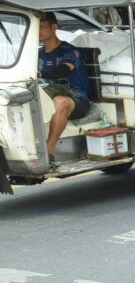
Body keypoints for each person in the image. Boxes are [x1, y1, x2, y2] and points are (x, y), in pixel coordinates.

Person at [38, 12, 91, 167]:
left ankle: (48, 153)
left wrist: (40, 73)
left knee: (59, 102)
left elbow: (62, 71)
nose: (38, 31)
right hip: (49, 94)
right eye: (36, 27)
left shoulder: (69, 51)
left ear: (54, 27)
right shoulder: (38, 53)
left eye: (42, 27)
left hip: (77, 99)